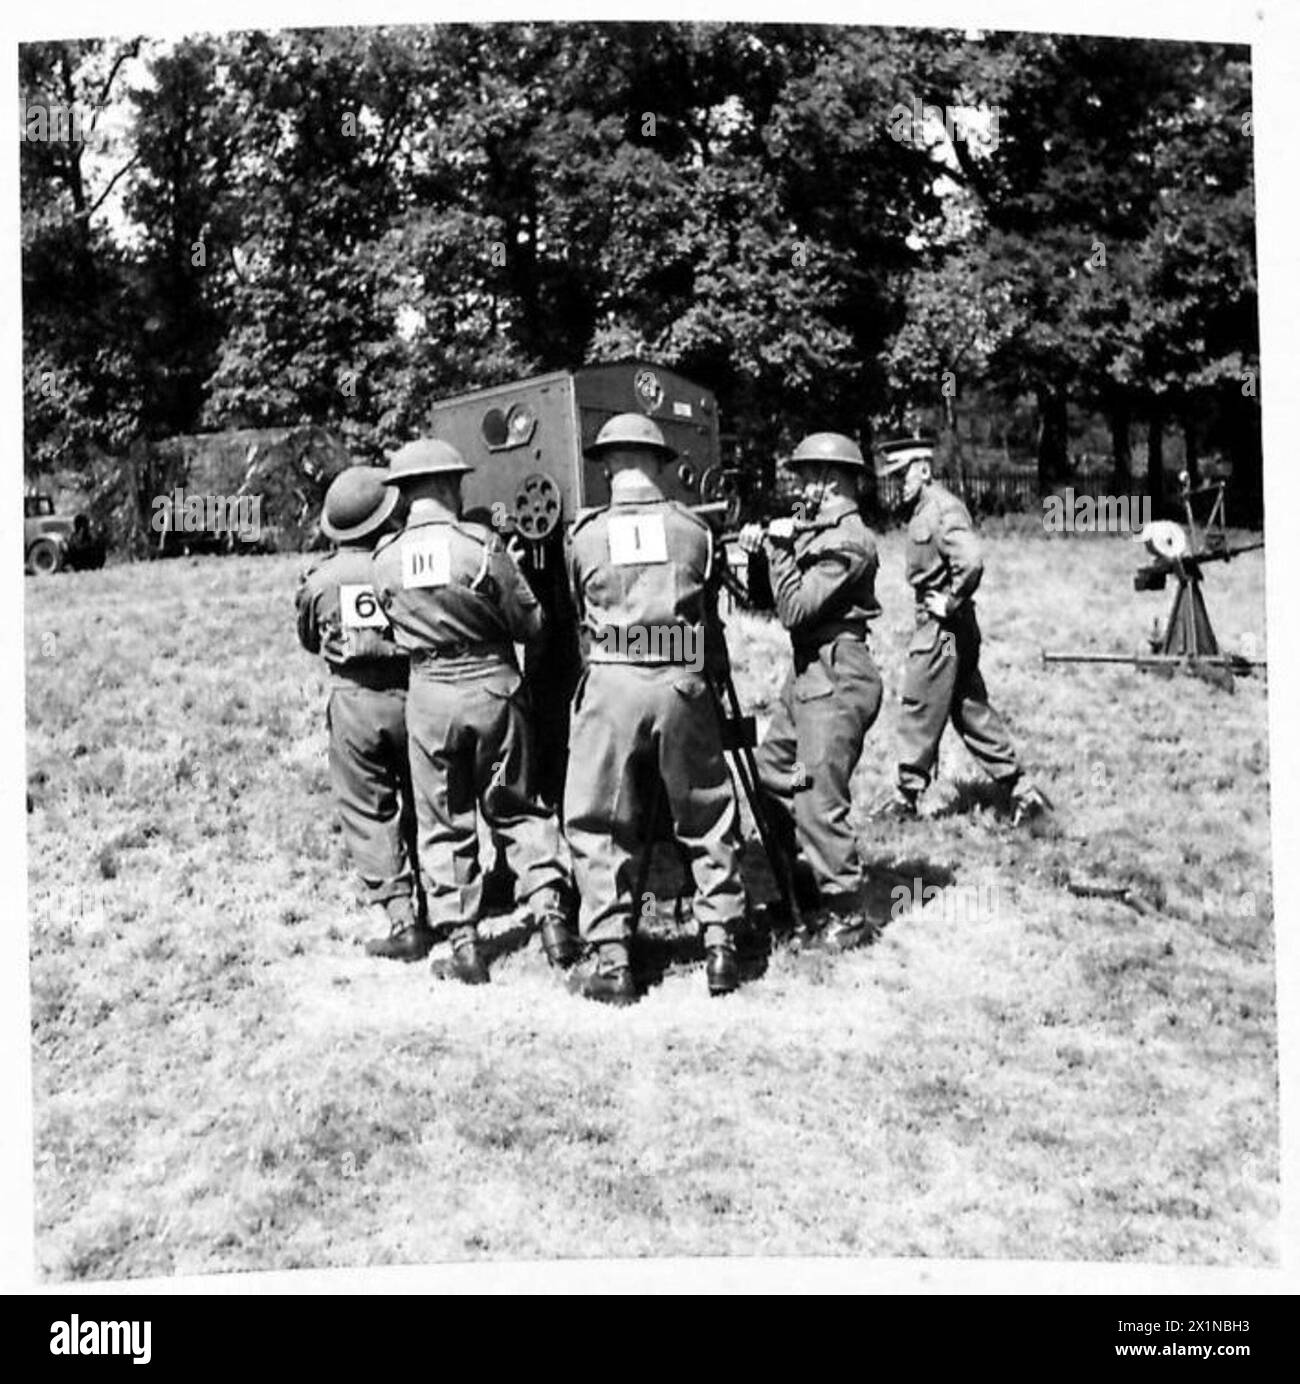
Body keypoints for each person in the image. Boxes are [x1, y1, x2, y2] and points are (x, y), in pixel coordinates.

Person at [370, 438, 577, 985]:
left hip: (429, 696)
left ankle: (463, 944)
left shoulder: (384, 560)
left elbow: (389, 631)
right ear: (444, 486)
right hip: (493, 690)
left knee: (443, 818)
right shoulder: (481, 547)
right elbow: (529, 623)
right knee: (517, 804)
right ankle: (554, 920)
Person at [564, 413, 746, 1005]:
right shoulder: (695, 532)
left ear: (610, 465)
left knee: (596, 817)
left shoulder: (585, 536)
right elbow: (709, 615)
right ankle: (721, 942)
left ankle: (613, 956)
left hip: (613, 680)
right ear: (661, 464)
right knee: (707, 810)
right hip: (681, 680)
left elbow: (576, 612)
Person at [739, 432, 884, 951]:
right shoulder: (814, 530)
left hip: (838, 677)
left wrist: (779, 548)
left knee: (819, 796)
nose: (799, 485)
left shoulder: (849, 541)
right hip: (808, 677)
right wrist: (762, 553)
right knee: (778, 773)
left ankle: (847, 912)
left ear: (833, 478)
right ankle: (803, 885)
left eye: (806, 475)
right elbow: (768, 601)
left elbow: (796, 609)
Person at [873, 443, 1051, 824]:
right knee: (970, 709)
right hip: (948, 627)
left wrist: (951, 602)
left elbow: (970, 561)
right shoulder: (926, 509)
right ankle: (1022, 791)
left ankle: (905, 798)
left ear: (923, 469)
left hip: (944, 630)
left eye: (902, 474)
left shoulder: (941, 509)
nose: (897, 483)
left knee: (920, 702)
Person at [295, 466, 429, 960]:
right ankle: (445, 905)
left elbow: (309, 639)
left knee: (367, 808)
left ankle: (401, 918)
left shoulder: (319, 579)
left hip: (352, 701)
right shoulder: (401, 563)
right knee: (425, 801)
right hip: (413, 695)